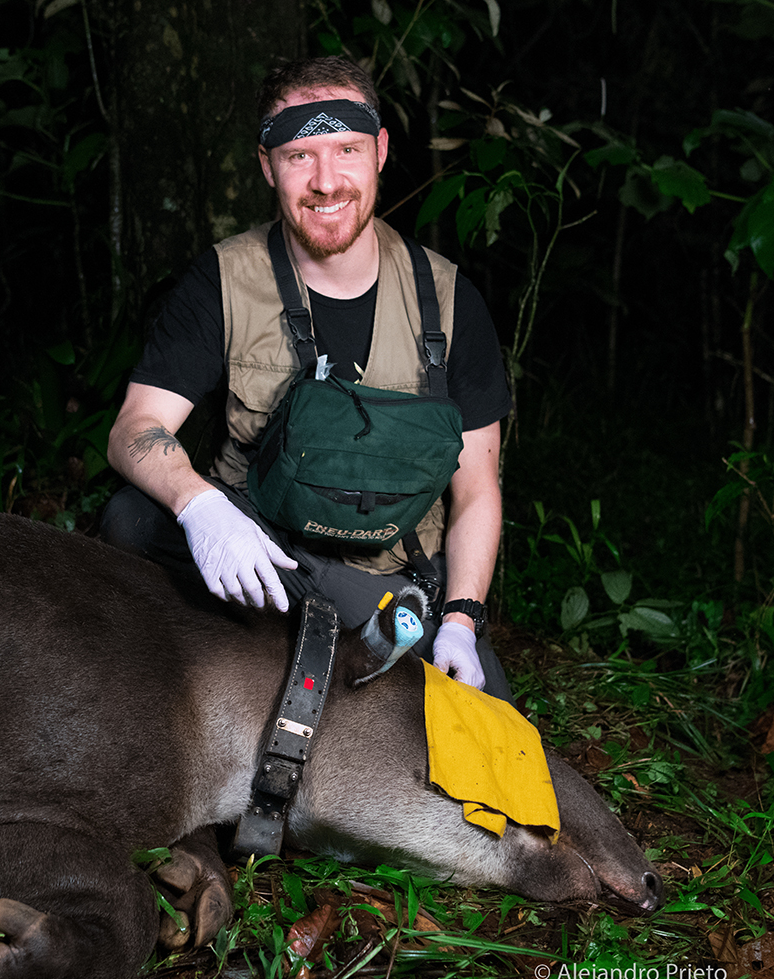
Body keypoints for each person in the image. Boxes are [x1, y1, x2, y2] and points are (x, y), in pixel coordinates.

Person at [102, 56, 515, 702]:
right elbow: (133, 429)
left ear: (379, 151)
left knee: (490, 741)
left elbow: (477, 492)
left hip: (385, 582)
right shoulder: (221, 279)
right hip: (260, 562)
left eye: (346, 148)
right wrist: (200, 506)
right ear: (267, 165)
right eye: (300, 156)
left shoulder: (451, 300)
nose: (327, 182)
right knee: (131, 518)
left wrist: (461, 622)